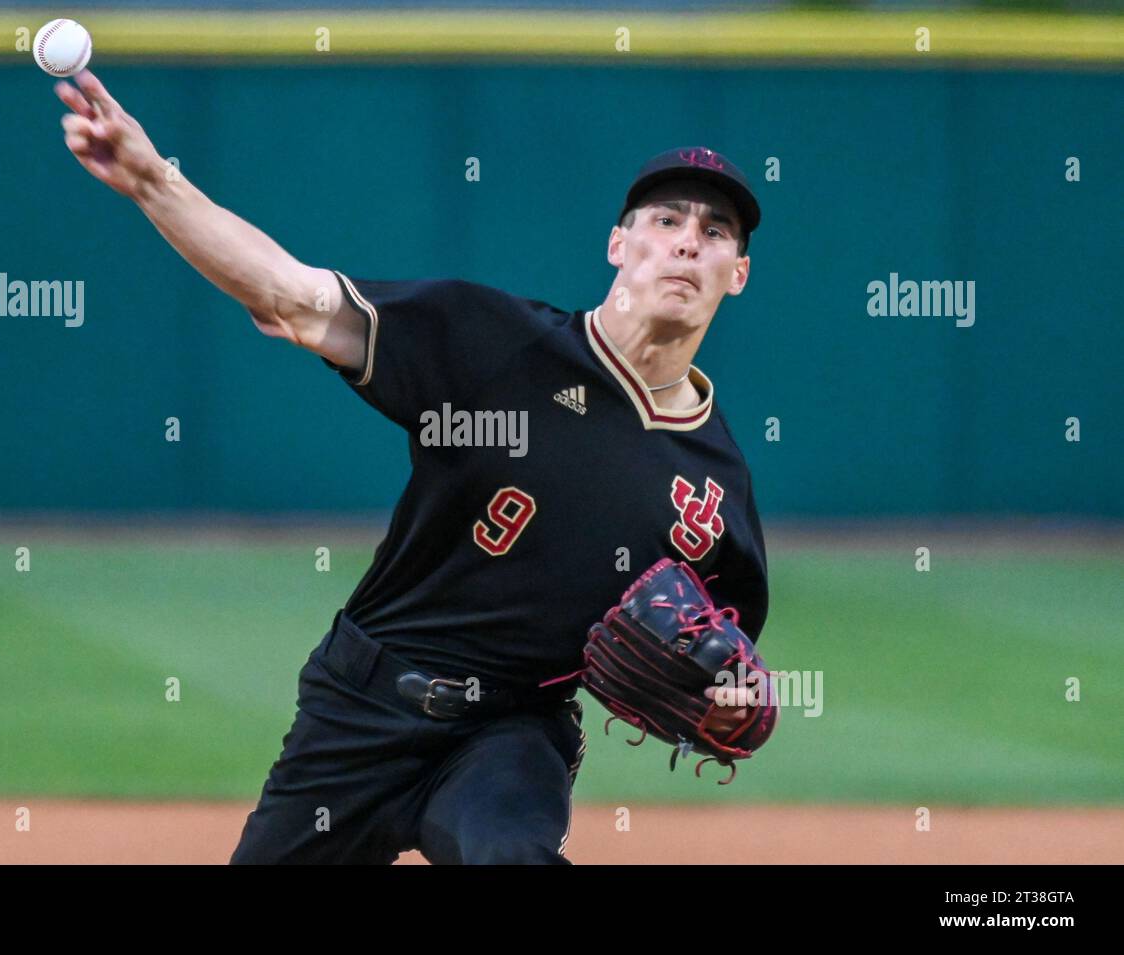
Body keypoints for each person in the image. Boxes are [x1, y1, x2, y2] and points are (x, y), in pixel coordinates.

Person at [54, 70, 769, 865]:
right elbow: (291, 297)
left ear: (736, 273)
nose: (686, 241)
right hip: (361, 709)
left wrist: (730, 696)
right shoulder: (495, 344)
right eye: (666, 219)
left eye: (715, 233)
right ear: (618, 243)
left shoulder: (716, 480)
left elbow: (727, 653)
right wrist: (155, 180)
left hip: (508, 736)